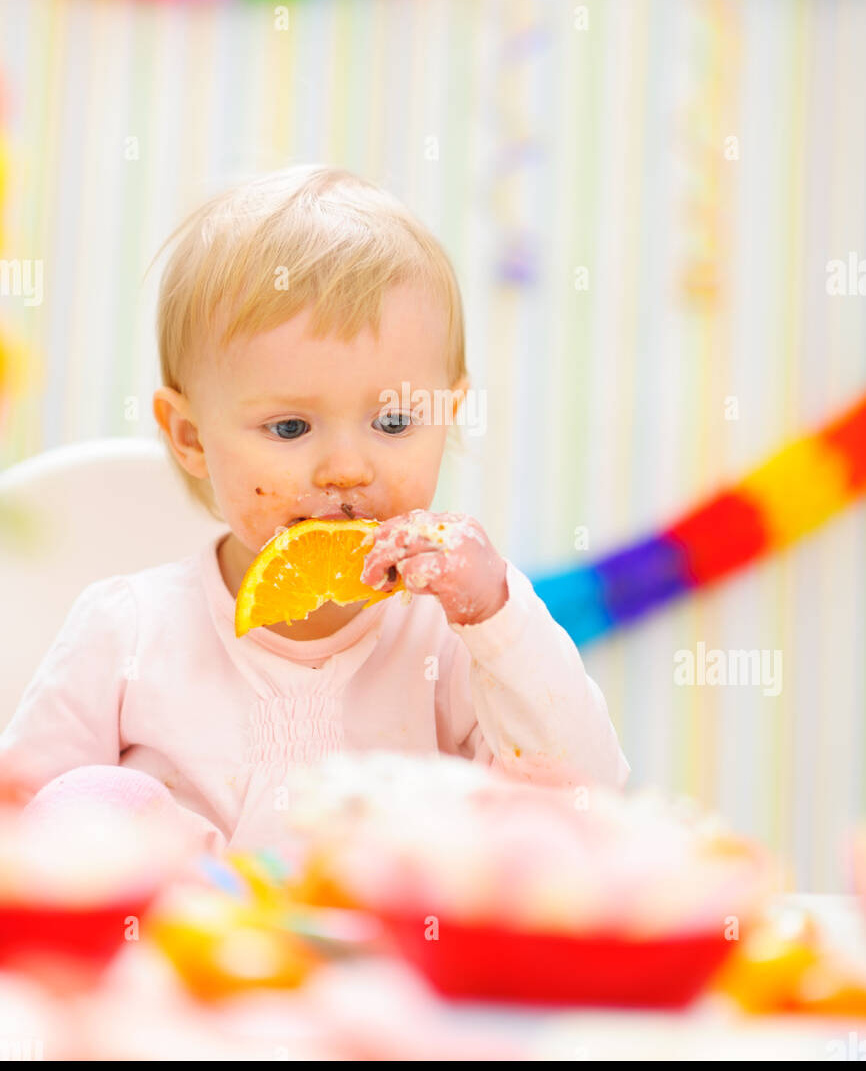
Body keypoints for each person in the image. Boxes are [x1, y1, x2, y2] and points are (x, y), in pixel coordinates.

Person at [0, 164, 629, 855]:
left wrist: (497, 620)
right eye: (291, 428)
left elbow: (585, 800)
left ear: (447, 415)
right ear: (189, 437)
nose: (346, 469)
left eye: (393, 423)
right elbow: (23, 822)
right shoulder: (127, 630)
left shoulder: (452, 641)